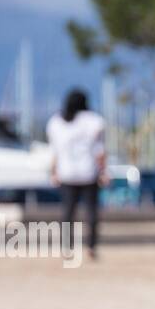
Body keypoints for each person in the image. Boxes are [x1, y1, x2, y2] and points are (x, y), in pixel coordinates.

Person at [47, 89, 106, 260]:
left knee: (67, 212)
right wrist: (103, 172)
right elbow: (100, 152)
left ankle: (67, 248)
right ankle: (92, 247)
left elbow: (54, 152)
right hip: (89, 172)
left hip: (66, 173)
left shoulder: (56, 122)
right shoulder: (95, 121)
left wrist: (54, 172)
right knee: (92, 212)